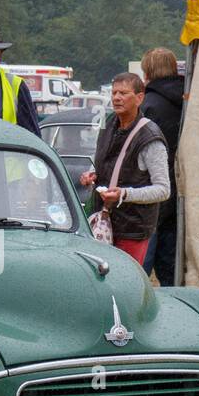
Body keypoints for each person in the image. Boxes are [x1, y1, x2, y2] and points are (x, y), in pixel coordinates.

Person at [79, 72, 170, 265]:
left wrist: (124, 194)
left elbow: (163, 190)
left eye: (123, 93)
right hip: (103, 220)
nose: (117, 98)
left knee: (125, 282)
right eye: (114, 93)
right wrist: (94, 174)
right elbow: (108, 161)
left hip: (133, 228)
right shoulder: (109, 122)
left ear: (139, 98)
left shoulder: (150, 137)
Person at [138, 48, 185, 284]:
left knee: (142, 262)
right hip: (180, 188)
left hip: (151, 188)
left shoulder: (147, 104)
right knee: (169, 265)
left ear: (148, 70)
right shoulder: (188, 101)